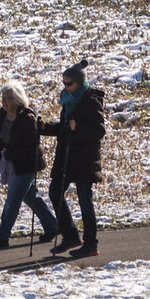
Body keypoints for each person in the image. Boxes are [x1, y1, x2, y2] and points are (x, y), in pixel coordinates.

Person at [0, 86, 57, 249]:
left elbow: (31, 148)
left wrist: (10, 154)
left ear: (17, 100)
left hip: (27, 164)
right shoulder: (1, 116)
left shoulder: (27, 118)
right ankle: (52, 226)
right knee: (30, 196)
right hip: (11, 163)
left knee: (13, 199)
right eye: (2, 98)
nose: (4, 102)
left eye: (7, 99)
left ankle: (2, 234)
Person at [46, 60, 106, 258]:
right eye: (63, 83)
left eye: (69, 83)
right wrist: (44, 128)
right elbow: (65, 127)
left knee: (84, 201)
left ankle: (91, 244)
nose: (66, 87)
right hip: (66, 156)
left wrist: (77, 128)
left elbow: (99, 131)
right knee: (55, 192)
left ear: (80, 82)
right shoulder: (68, 99)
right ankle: (71, 236)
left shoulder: (90, 100)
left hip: (84, 159)